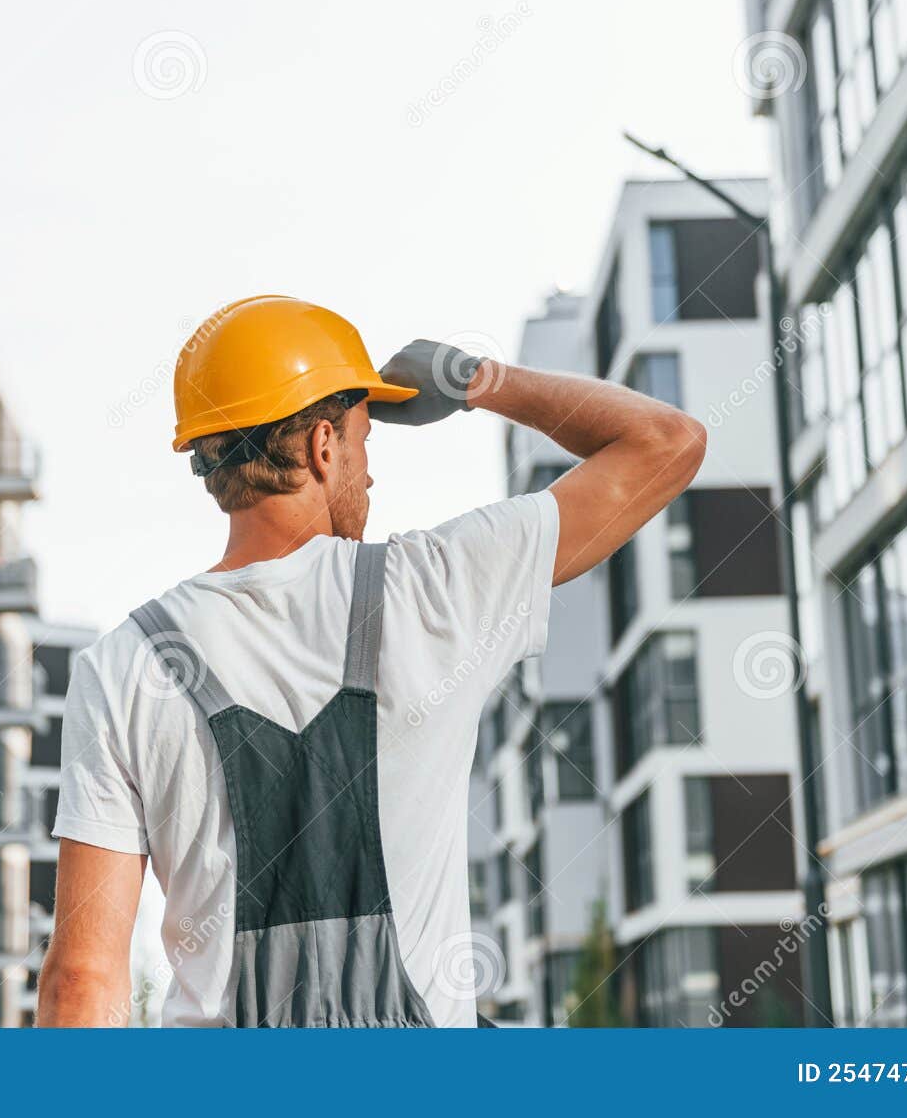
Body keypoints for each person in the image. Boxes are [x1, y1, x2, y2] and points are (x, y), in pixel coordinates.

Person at [38, 295, 704, 1027]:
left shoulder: (123, 665)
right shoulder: (434, 586)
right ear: (324, 446)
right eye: (363, 442)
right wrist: (479, 381)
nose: (369, 476)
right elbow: (668, 442)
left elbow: (81, 981)